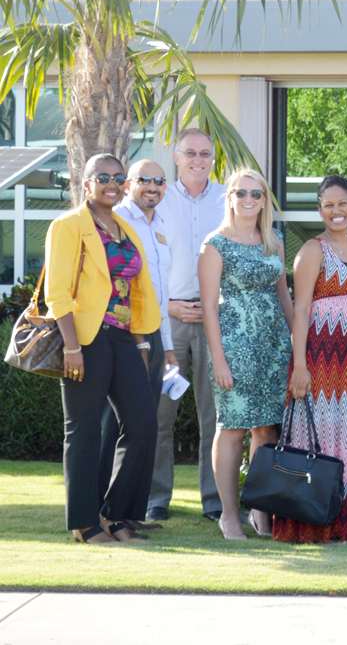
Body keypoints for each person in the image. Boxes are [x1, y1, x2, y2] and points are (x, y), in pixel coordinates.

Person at [48, 154, 163, 543]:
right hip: (85, 337)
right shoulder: (69, 226)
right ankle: (84, 524)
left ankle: (113, 514)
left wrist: (141, 340)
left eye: (118, 177)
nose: (112, 183)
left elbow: (136, 291)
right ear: (86, 184)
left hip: (123, 337)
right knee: (82, 429)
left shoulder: (125, 229)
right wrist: (71, 346)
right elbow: (57, 292)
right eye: (103, 177)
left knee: (143, 422)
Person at [276, 176, 347, 544]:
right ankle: (308, 524)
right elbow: (301, 309)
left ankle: (342, 525)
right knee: (315, 436)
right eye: (328, 205)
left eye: (342, 203)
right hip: (318, 360)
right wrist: (300, 366)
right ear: (319, 210)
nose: (336, 211)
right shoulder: (312, 249)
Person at [198, 168, 294, 541]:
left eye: (256, 193)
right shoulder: (215, 244)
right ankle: (228, 515)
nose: (249, 199)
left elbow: (284, 296)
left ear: (265, 199)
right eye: (241, 192)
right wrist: (219, 359)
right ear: (230, 198)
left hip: (274, 347)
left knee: (266, 430)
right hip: (234, 348)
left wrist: (298, 346)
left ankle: (260, 511)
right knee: (233, 428)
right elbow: (209, 307)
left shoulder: (274, 240)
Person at [97, 159, 176, 535]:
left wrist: (167, 345)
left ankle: (131, 512)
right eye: (144, 179)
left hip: (154, 332)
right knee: (119, 424)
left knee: (145, 423)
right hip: (125, 333)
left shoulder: (160, 225)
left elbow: (160, 293)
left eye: (159, 181)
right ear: (128, 184)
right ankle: (105, 511)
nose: (152, 186)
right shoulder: (117, 222)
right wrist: (138, 339)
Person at [151, 127, 226, 522]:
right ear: (176, 157)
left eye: (205, 153)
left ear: (213, 159)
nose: (198, 159)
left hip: (217, 321)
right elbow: (145, 263)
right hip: (169, 323)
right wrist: (168, 306)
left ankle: (214, 501)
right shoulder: (158, 199)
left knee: (214, 417)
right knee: (159, 414)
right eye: (190, 153)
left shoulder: (228, 199)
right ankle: (155, 499)